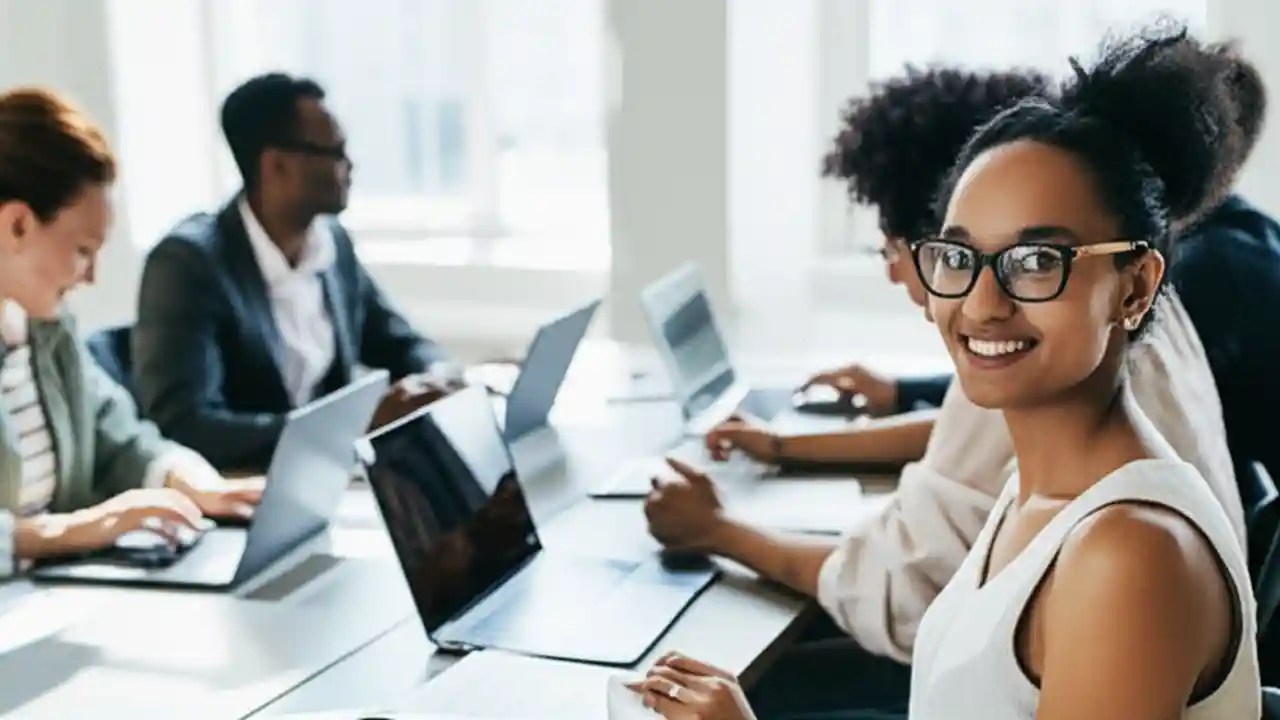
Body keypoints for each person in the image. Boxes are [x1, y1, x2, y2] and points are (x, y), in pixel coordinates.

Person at [633, 26, 1261, 719]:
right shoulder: (1037, 485)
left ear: (1136, 287)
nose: (982, 305)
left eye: (1036, 263)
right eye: (959, 259)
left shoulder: (1128, 557)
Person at [133, 73, 459, 473]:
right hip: (247, 488)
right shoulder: (188, 264)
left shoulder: (332, 245)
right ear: (277, 165)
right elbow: (186, 426)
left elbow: (398, 341)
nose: (350, 165)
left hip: (328, 477)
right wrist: (350, 427)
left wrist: (439, 380)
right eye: (335, 152)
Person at [0, 87, 262, 575]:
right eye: (82, 250)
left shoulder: (43, 332)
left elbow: (120, 436)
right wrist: (76, 530)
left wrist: (197, 484)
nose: (92, 276)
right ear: (16, 225)